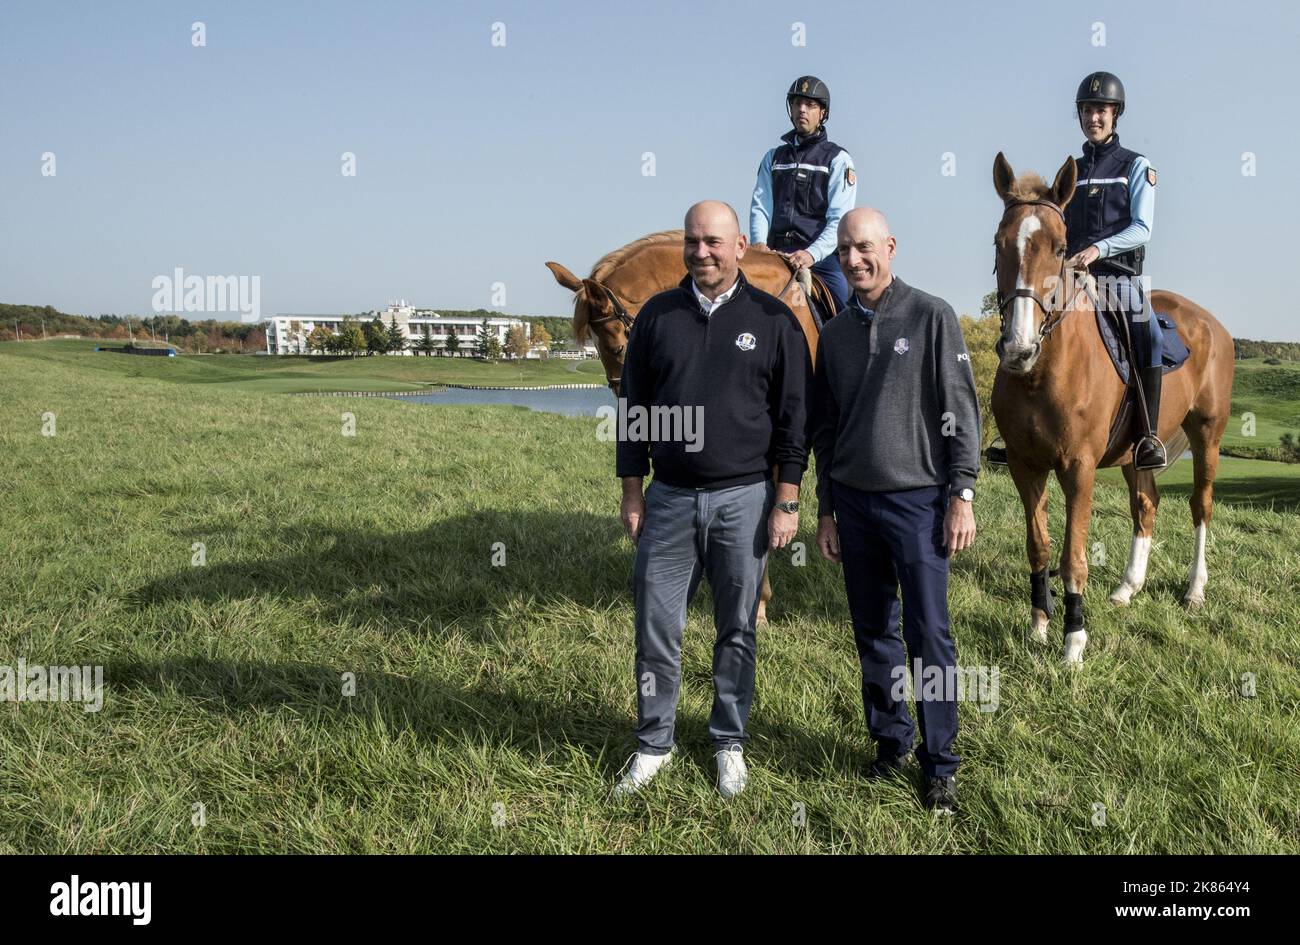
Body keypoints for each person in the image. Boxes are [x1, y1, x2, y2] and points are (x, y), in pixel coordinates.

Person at [613, 200, 811, 799]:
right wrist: (632, 491)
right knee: (655, 627)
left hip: (744, 499)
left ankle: (729, 741)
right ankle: (654, 743)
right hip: (669, 498)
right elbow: (634, 414)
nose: (702, 252)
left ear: (740, 248)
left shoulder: (774, 321)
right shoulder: (655, 318)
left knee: (737, 629)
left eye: (714, 242)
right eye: (693, 242)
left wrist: (786, 500)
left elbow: (793, 422)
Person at [813, 207, 980, 815]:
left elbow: (960, 411)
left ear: (889, 246)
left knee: (929, 634)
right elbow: (824, 431)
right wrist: (826, 509)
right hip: (853, 505)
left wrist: (961, 493)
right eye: (845, 251)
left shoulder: (931, 315)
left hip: (918, 502)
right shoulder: (832, 337)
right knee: (873, 630)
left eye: (865, 248)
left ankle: (941, 766)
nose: (855, 260)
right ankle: (890, 744)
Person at [987, 71, 1162, 469]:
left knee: (1147, 328)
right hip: (1067, 274)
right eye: (1086, 110)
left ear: (1115, 114)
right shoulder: (1072, 170)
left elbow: (1142, 228)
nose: (1093, 118)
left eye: (1101, 110)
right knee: (1024, 318)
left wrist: (1097, 249)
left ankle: (1148, 435)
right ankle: (1014, 428)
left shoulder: (1136, 165)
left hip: (1117, 275)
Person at [750, 75, 857, 313]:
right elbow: (761, 206)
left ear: (823, 113)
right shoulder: (773, 158)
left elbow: (839, 219)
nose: (802, 110)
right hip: (774, 252)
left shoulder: (838, 160)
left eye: (810, 105)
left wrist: (811, 254)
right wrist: (758, 244)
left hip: (820, 260)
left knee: (846, 312)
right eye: (797, 103)